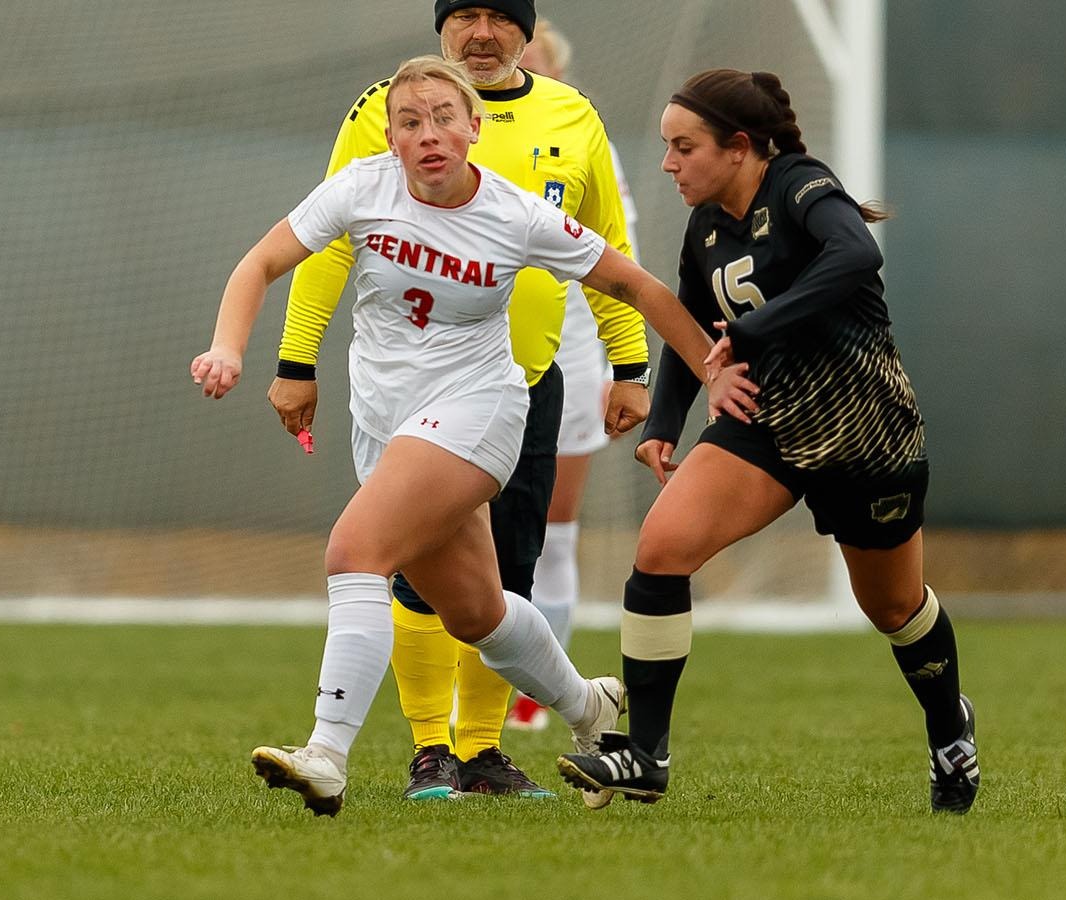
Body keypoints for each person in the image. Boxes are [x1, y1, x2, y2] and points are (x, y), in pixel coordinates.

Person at [192, 57, 740, 817]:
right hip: (386, 423)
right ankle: (589, 707)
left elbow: (636, 284)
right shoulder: (363, 187)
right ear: (390, 138)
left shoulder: (516, 215)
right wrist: (228, 346)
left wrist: (708, 376)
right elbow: (262, 262)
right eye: (410, 122)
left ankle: (325, 753)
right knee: (475, 613)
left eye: (444, 118)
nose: (429, 134)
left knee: (355, 553)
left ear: (475, 129)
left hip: (478, 411)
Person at [557, 69, 981, 815]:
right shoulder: (706, 225)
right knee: (661, 548)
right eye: (666, 147)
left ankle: (950, 726)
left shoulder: (800, 186)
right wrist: (663, 425)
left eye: (684, 147)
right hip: (767, 424)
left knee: (891, 607)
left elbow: (857, 256)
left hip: (862, 427)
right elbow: (693, 322)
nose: (669, 163)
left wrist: (754, 328)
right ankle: (646, 755)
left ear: (741, 147)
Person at [269, 0, 649, 802]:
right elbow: (331, 234)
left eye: (499, 17)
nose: (481, 33)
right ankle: (429, 749)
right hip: (406, 390)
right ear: (441, 27)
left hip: (523, 380)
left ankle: (484, 750)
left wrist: (629, 361)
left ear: (528, 29)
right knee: (398, 563)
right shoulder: (386, 107)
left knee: (501, 577)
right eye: (463, 15)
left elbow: (606, 248)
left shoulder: (574, 115)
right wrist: (296, 356)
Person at [505, 17, 641, 733]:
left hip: (575, 351)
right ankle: (465, 692)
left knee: (551, 531)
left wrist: (627, 364)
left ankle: (532, 692)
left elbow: (619, 255)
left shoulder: (586, 143)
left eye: (536, 64)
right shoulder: (462, 142)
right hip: (478, 353)